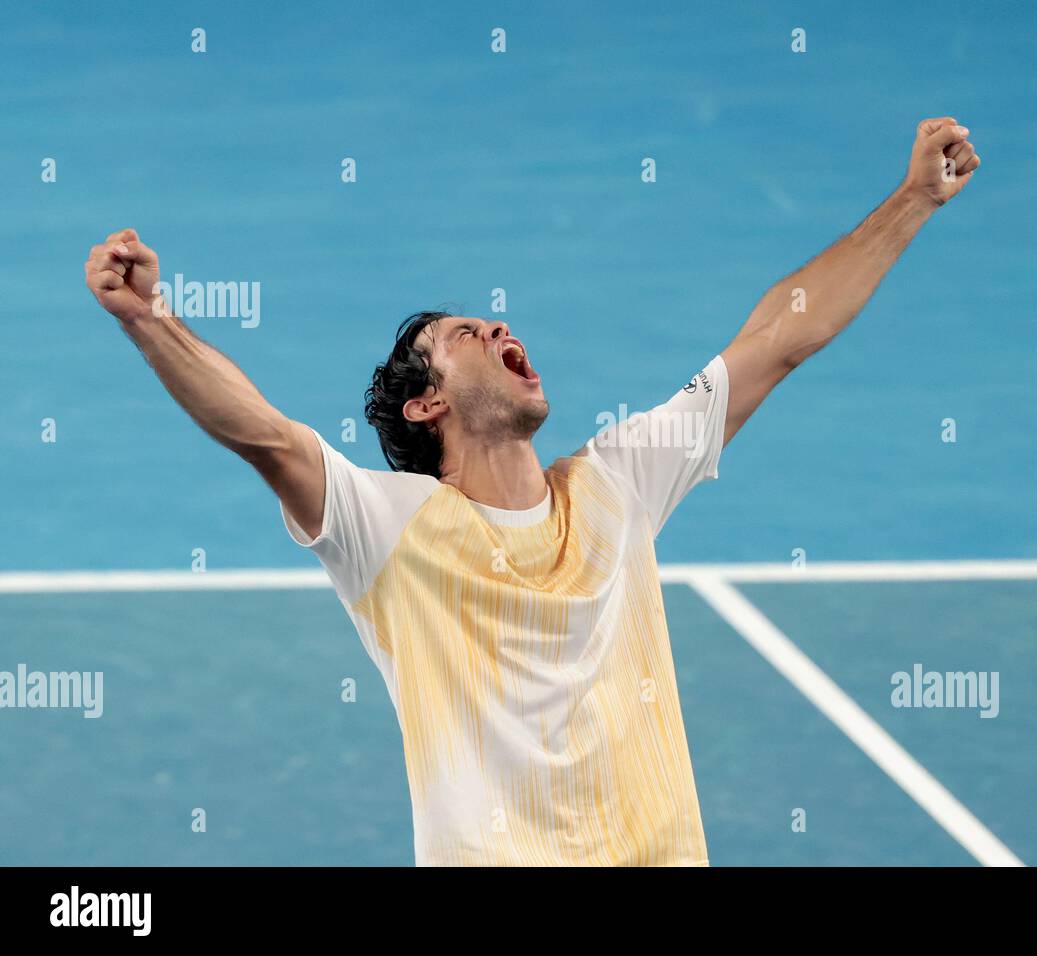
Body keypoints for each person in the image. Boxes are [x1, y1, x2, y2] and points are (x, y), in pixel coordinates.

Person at [84, 118, 980, 865]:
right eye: (466, 335)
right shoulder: (388, 529)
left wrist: (913, 200)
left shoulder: (617, 483)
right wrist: (150, 320)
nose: (498, 326)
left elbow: (778, 340)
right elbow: (266, 436)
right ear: (427, 403)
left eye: (494, 322)